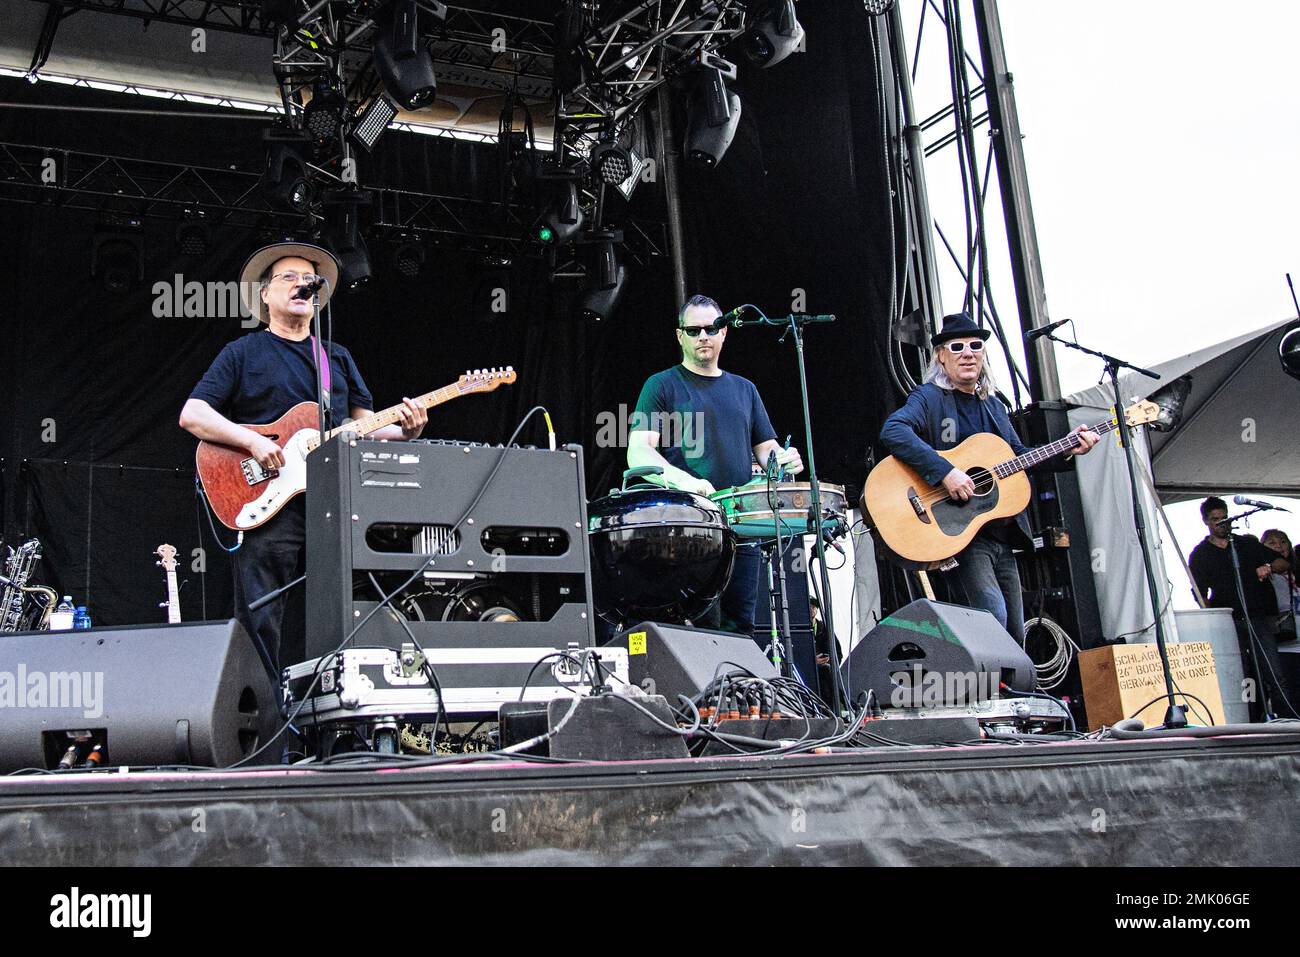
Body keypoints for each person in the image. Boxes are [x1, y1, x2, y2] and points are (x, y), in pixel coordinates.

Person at [179, 242, 428, 679]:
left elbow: (364, 427)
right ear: (265, 295)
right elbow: (193, 415)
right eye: (288, 277)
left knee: (346, 608)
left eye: (307, 278)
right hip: (266, 502)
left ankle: (344, 715)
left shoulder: (336, 358)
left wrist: (407, 429)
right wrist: (253, 442)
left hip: (333, 500)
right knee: (261, 618)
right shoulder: (243, 352)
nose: (300, 283)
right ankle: (264, 722)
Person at [879, 312, 1099, 641]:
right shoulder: (929, 397)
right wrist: (946, 473)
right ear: (941, 355)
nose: (968, 353)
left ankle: (1012, 692)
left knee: (1013, 628)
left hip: (999, 533)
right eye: (957, 347)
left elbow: (1018, 457)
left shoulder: (993, 406)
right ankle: (988, 692)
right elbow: (894, 430)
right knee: (990, 618)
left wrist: (1068, 449)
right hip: (957, 532)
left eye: (975, 346)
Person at [628, 294, 802, 638]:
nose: (703, 336)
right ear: (680, 336)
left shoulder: (744, 389)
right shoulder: (661, 384)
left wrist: (784, 461)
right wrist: (686, 482)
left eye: (711, 328)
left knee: (740, 627)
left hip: (741, 527)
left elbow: (766, 450)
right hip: (689, 524)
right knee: (695, 627)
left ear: (725, 333)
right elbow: (638, 453)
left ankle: (734, 693)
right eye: (693, 331)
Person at [1188, 498, 1296, 719]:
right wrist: (1213, 620)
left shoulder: (1246, 545)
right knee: (1241, 674)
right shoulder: (1200, 554)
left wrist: (1267, 567)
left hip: (1258, 618)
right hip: (1229, 623)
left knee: (1273, 672)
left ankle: (1288, 720)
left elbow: (1283, 563)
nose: (1221, 523)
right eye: (1215, 520)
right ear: (1206, 521)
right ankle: (1250, 721)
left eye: (1224, 518)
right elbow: (1200, 593)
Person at [1262, 528, 1299, 641]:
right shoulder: (1263, 575)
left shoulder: (1296, 571)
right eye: (1272, 542)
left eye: (1283, 541)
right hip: (1283, 635)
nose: (1279, 546)